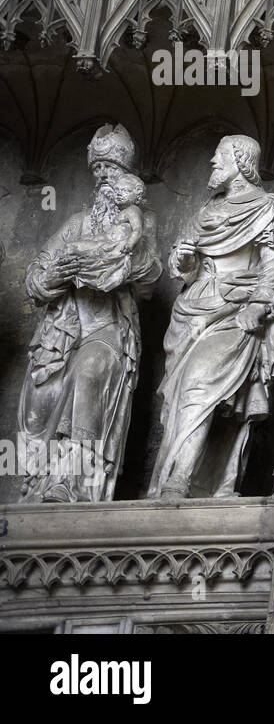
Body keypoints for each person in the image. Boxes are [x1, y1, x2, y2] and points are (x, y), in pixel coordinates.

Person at [19, 125, 161, 503]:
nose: (105, 179)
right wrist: (54, 275)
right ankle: (38, 485)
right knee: (39, 403)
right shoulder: (74, 225)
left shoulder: (140, 223)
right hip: (62, 332)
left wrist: (126, 258)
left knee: (90, 370)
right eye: (99, 172)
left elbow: (150, 277)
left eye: (112, 172)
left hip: (108, 330)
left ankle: (73, 482)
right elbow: (35, 279)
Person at [148, 135, 274, 499]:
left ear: (242, 161)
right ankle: (182, 482)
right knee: (180, 397)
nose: (213, 163)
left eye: (220, 156)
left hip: (236, 313)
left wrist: (258, 307)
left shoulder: (268, 208)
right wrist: (185, 262)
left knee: (200, 386)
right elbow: (190, 266)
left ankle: (178, 482)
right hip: (191, 312)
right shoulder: (207, 210)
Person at [59, 172, 148, 292]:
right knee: (78, 243)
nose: (103, 174)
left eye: (125, 190)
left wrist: (130, 244)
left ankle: (68, 263)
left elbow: (137, 230)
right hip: (106, 243)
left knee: (73, 247)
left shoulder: (133, 211)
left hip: (111, 247)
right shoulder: (78, 218)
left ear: (137, 195)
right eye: (117, 190)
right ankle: (67, 264)